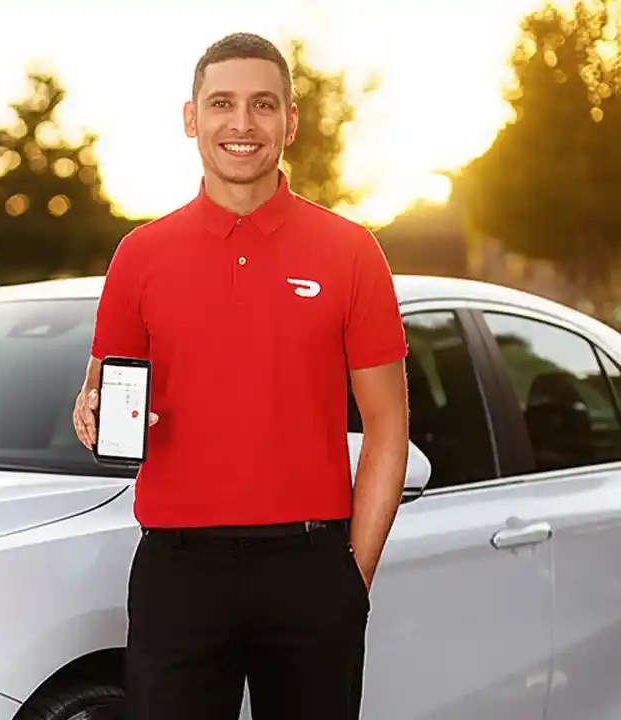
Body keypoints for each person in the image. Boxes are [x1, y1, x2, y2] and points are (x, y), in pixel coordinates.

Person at [72, 32, 409, 719]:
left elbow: (388, 424)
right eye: (222, 103)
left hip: (312, 570)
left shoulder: (350, 252)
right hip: (178, 575)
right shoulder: (140, 255)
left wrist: (353, 576)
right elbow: (104, 393)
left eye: (263, 105)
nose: (242, 123)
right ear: (191, 118)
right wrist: (92, 408)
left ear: (290, 120)